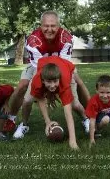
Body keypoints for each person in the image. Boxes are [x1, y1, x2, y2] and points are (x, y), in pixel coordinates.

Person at [9, 10, 90, 139]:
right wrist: (48, 93)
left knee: (74, 96)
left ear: (58, 26)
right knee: (27, 97)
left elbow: (63, 67)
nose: (49, 29)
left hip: (62, 66)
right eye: (46, 25)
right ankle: (18, 121)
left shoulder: (66, 38)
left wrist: (57, 90)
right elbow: (40, 71)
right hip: (38, 67)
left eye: (53, 26)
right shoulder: (32, 41)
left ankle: (87, 118)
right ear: (40, 25)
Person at [29, 56, 83, 149]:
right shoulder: (36, 82)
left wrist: (72, 141)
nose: (52, 85)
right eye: (49, 82)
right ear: (43, 80)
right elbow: (40, 99)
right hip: (45, 64)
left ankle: (86, 118)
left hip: (67, 67)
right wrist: (48, 122)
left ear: (59, 78)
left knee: (75, 104)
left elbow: (68, 113)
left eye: (55, 81)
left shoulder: (64, 81)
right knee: (27, 100)